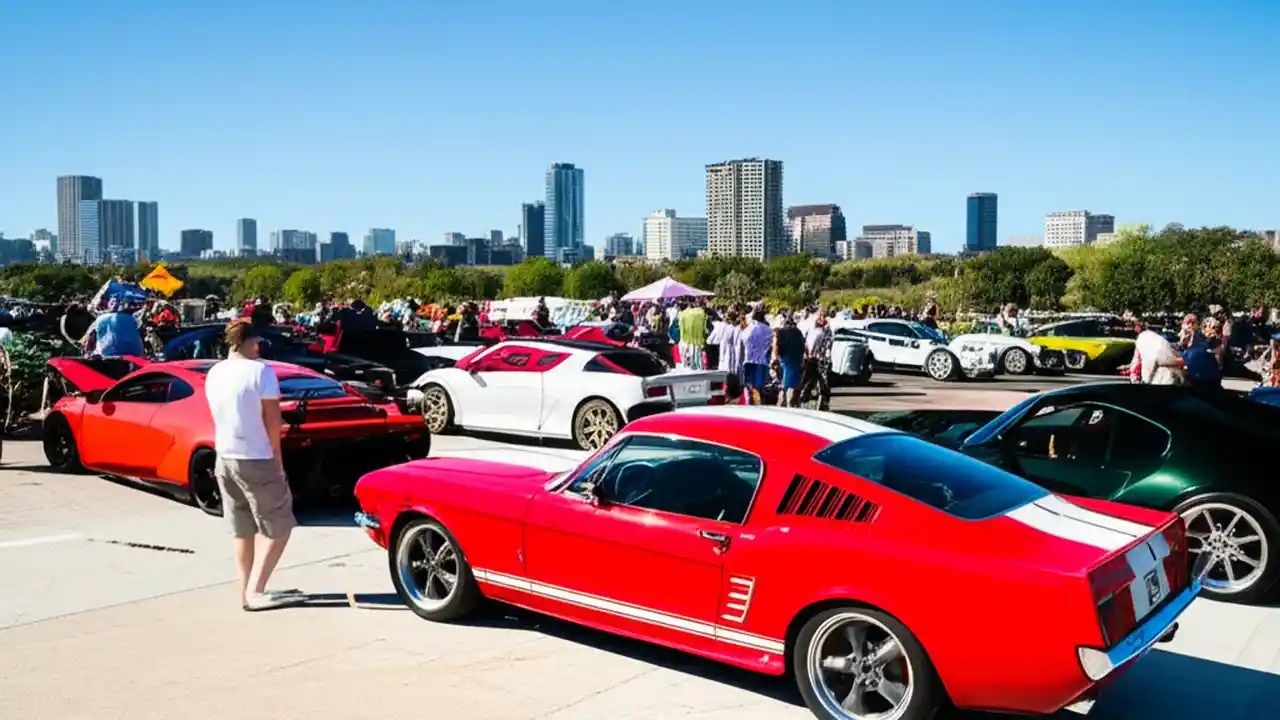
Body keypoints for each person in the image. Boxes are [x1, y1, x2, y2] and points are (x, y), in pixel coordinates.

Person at [205, 321, 304, 612]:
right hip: (256, 457)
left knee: (242, 528)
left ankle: (246, 590)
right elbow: (272, 421)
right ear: (251, 342)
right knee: (279, 527)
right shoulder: (261, 372)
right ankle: (257, 591)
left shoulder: (215, 372)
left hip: (225, 456)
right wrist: (279, 462)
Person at [800, 309, 832, 410]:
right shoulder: (813, 329)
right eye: (819, 317)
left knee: (816, 378)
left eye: (823, 317)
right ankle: (809, 397)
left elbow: (825, 345)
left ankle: (821, 399)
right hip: (812, 358)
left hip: (818, 359)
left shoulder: (823, 330)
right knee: (812, 378)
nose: (822, 319)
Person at [773, 311, 806, 407]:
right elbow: (803, 346)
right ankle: (789, 406)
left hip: (784, 361)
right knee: (791, 386)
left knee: (784, 388)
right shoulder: (798, 332)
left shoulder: (780, 332)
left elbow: (775, 346)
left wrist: (775, 358)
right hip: (795, 361)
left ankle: (783, 407)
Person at [742, 309, 774, 404]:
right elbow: (771, 343)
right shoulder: (768, 330)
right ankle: (758, 402)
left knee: (748, 384)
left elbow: (743, 340)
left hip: (748, 359)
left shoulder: (748, 329)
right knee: (759, 385)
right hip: (761, 361)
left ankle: (749, 402)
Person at [677, 299, 708, 370]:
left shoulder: (682, 314)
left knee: (688, 361)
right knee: (698, 359)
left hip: (686, 341)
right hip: (699, 341)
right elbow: (705, 329)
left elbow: (681, 329)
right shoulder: (701, 313)